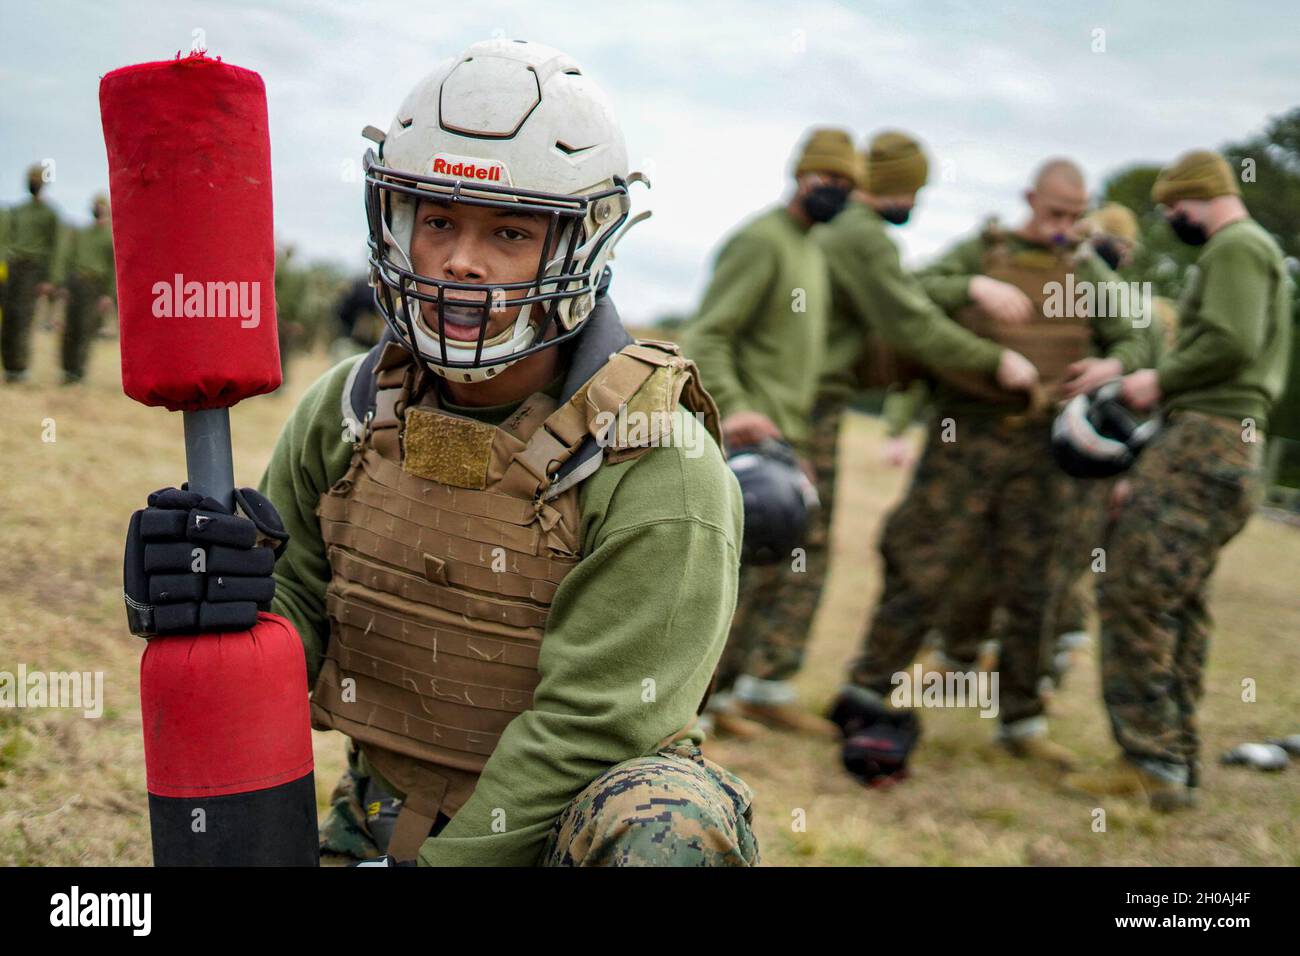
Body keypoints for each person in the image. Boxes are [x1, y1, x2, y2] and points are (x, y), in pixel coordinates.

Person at [126, 39, 757, 867]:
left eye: (509, 230)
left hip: (555, 837)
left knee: (666, 823)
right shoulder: (348, 411)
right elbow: (298, 625)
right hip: (380, 822)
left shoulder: (659, 462)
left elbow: (592, 726)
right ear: (397, 224)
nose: (462, 259)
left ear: (578, 247)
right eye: (438, 221)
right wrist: (211, 611)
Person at [830, 159, 1146, 778]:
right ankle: (866, 693)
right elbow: (914, 292)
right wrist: (972, 287)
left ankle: (1022, 720)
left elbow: (1140, 340)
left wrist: (1117, 363)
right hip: (964, 437)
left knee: (1038, 582)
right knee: (920, 561)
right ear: (1031, 198)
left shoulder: (1088, 268)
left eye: (1075, 215)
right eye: (1055, 212)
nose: (1064, 225)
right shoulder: (983, 247)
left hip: (1044, 448)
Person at [1064, 150, 1293, 810]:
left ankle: (1151, 760)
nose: (1171, 221)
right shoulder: (1258, 251)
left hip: (1204, 437)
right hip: (1224, 442)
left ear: (1200, 198)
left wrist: (1155, 380)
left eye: (1173, 208)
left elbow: (1228, 341)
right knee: (1177, 600)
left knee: (1134, 587)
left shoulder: (1235, 248)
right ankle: (1174, 758)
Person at [681, 127, 857, 738]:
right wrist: (734, 408)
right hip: (750, 435)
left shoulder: (815, 248)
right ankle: (684, 709)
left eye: (847, 184)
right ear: (799, 174)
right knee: (728, 576)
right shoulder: (761, 241)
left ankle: (725, 697)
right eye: (827, 177)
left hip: (790, 437)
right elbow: (708, 334)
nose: (836, 190)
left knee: (776, 570)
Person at [2, 165, 61, 383]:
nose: (33, 182)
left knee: (23, 318)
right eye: (31, 179)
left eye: (36, 179)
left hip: (32, 269)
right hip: (12, 266)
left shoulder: (50, 214)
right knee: (8, 317)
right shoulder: (18, 210)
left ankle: (19, 369)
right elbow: (7, 239)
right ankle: (8, 368)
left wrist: (50, 279)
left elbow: (56, 248)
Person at [52, 194, 116, 384]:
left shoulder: (110, 237)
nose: (98, 209)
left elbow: (114, 268)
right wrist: (63, 284)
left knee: (85, 329)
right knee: (70, 328)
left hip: (95, 286)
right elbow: (68, 257)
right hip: (75, 283)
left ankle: (78, 373)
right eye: (96, 206)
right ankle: (67, 370)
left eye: (101, 206)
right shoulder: (82, 233)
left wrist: (108, 295)